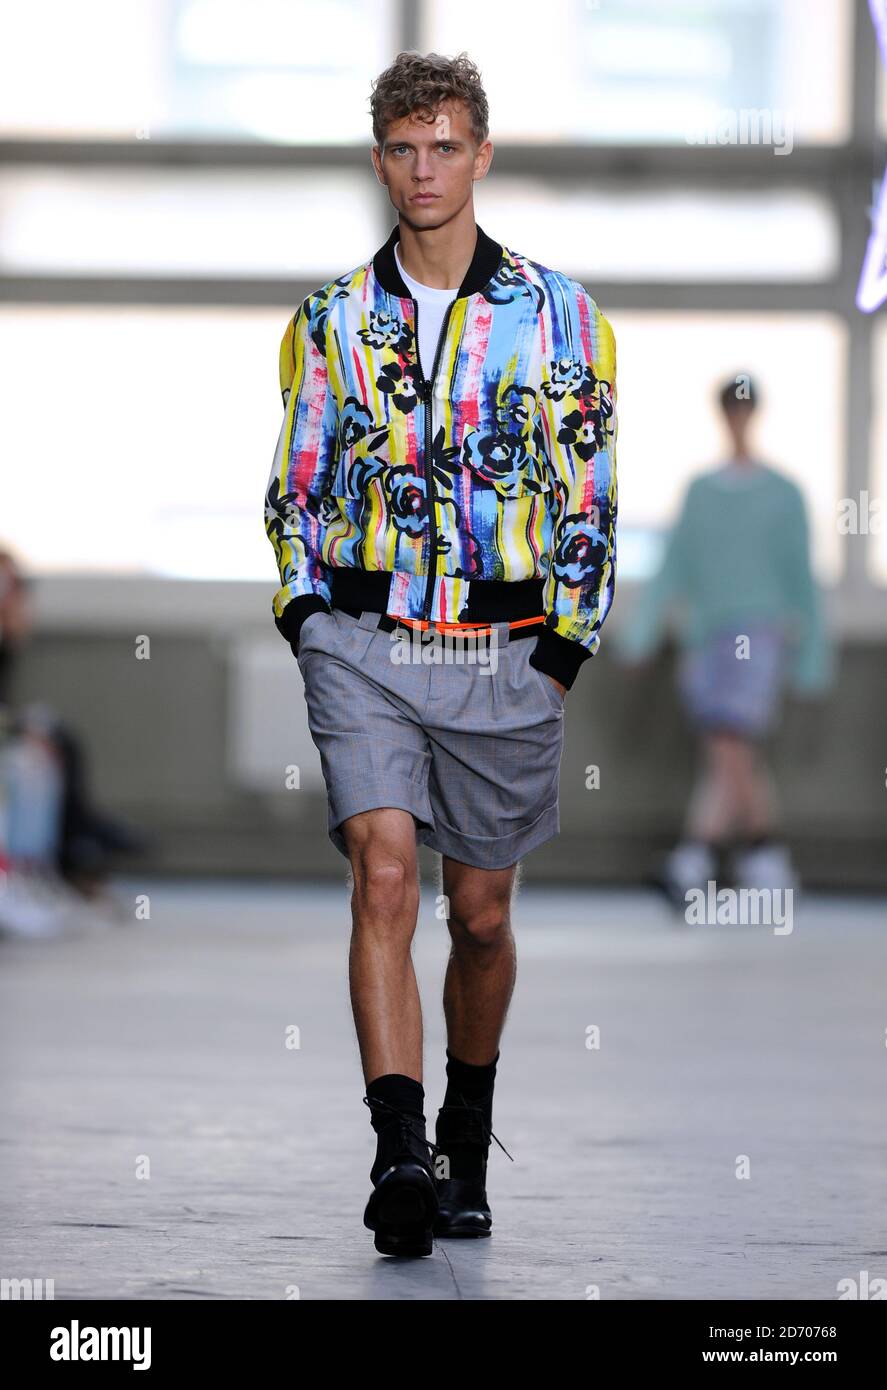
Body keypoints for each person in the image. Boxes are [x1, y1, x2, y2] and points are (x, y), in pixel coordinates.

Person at [264, 51, 618, 1256]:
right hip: (363, 640)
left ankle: (465, 1135)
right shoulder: (329, 322)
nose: (425, 168)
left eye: (445, 145)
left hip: (503, 647)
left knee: (477, 916)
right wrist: (309, 617)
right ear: (381, 161)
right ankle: (396, 1151)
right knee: (381, 876)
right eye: (403, 149)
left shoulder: (563, 315)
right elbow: (296, 489)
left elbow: (590, 497)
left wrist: (562, 649)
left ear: (481, 153)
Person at [618, 374, 832, 907]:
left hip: (758, 635)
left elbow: (803, 579)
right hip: (706, 637)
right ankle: (766, 859)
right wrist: (640, 634)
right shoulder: (701, 492)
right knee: (728, 748)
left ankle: (693, 860)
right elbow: (673, 568)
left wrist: (812, 659)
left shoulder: (784, 495)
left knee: (729, 739)